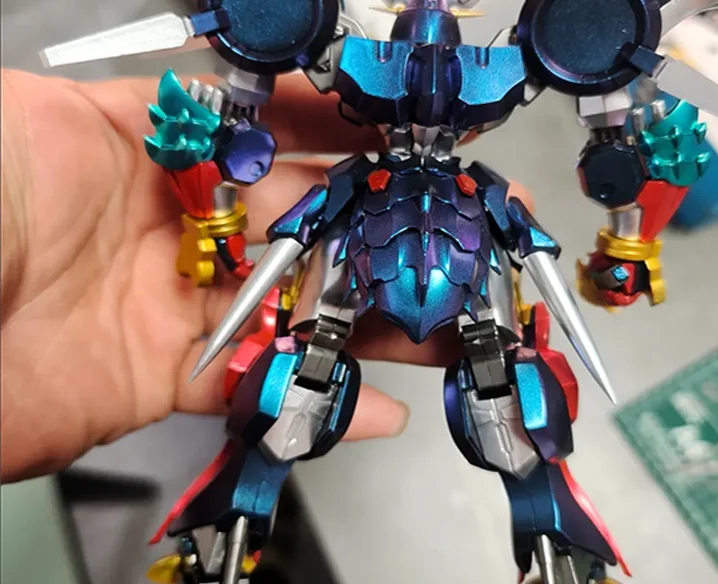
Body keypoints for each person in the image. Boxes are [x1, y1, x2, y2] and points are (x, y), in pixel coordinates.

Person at [1, 68, 534, 483]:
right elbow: (300, 222)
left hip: (453, 251)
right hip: (351, 250)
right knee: (307, 361)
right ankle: (235, 509)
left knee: (500, 367)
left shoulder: (477, 186)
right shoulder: (355, 177)